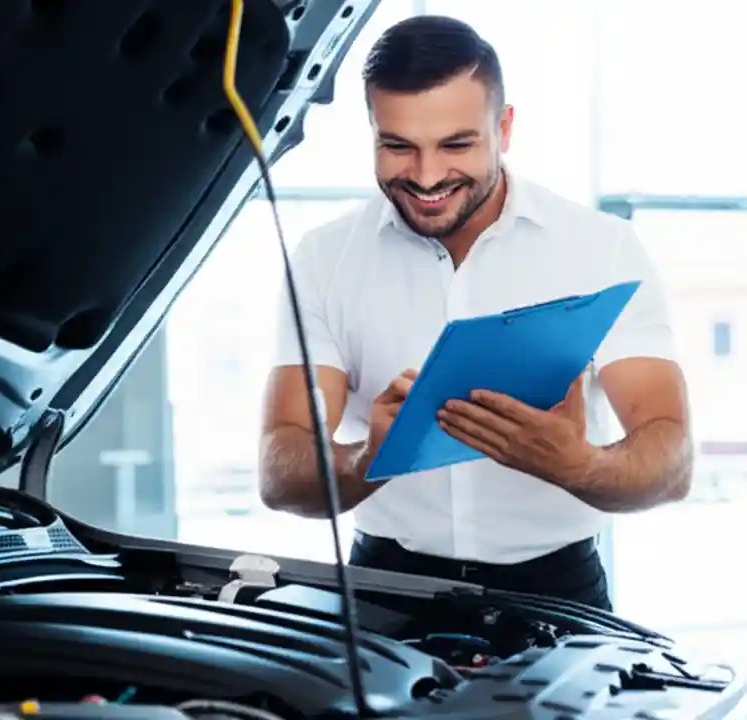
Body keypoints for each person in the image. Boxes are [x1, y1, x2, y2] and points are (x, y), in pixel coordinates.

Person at [257, 15, 692, 611]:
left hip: (557, 588)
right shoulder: (324, 257)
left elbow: (671, 459)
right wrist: (368, 461)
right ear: (372, 132)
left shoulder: (602, 248)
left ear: (504, 128)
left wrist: (577, 465)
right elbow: (280, 471)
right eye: (398, 146)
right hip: (383, 584)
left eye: (457, 145)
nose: (428, 176)